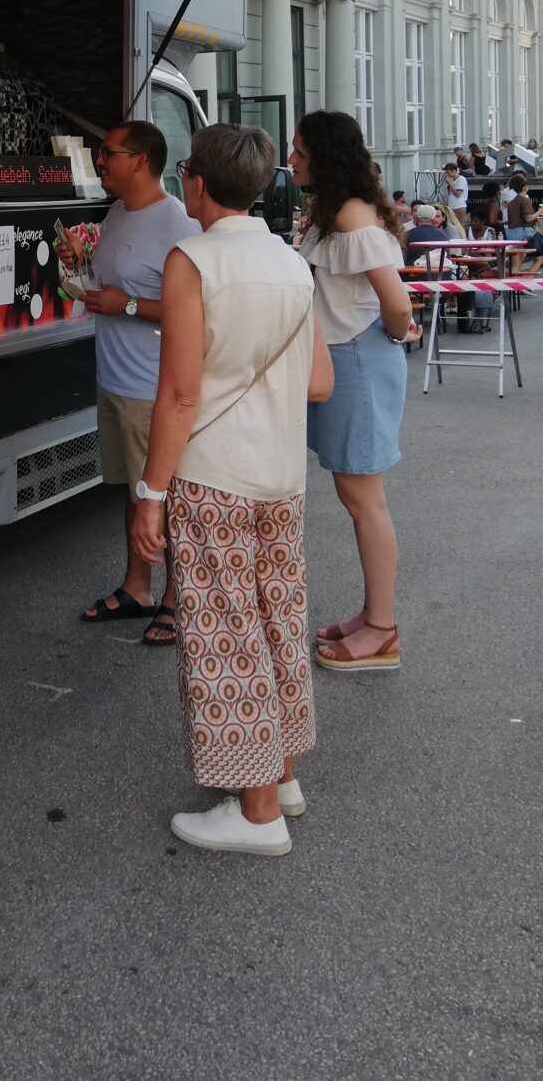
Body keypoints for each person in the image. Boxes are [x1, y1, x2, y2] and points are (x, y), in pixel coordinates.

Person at [131, 124, 333, 857]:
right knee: (276, 618)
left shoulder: (193, 259)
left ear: (195, 182)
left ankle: (256, 814)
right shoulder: (291, 262)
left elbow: (181, 394)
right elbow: (318, 382)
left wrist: (150, 491)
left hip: (214, 474)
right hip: (281, 478)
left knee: (225, 634)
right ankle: (277, 775)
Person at [291, 111, 419, 672]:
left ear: (322, 155)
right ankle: (373, 617)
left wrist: (395, 335)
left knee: (364, 500)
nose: (291, 160)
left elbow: (397, 303)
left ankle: (383, 630)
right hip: (351, 358)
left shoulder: (348, 214)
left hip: (359, 361)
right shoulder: (339, 208)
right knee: (358, 497)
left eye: (299, 151)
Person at [64, 121, 200, 645]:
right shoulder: (116, 214)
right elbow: (113, 284)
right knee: (133, 491)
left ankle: (175, 597)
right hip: (115, 379)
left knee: (164, 494)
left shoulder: (178, 224)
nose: (101, 162)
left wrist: (127, 304)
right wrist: (83, 267)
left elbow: (196, 312)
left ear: (140, 160)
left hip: (153, 385)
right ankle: (137, 587)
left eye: (109, 154)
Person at [441, 161, 469, 229]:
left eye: (448, 172)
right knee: (452, 225)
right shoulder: (453, 179)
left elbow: (458, 194)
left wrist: (450, 184)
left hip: (459, 206)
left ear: (454, 170)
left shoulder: (461, 179)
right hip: (452, 205)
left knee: (459, 225)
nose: (447, 174)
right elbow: (451, 193)